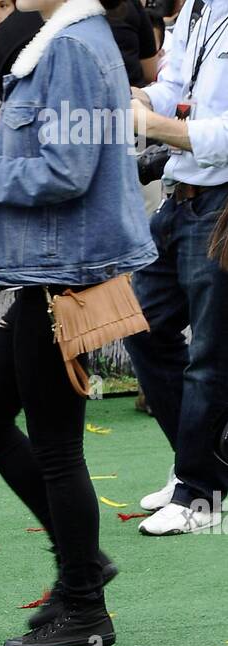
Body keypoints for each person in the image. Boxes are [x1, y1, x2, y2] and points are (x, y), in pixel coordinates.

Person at [0, 0, 156, 646]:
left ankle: (86, 602)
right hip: (59, 269)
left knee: (58, 448)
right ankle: (79, 570)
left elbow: (67, 173)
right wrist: (0, 136)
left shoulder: (67, 48)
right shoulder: (78, 41)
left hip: (62, 272)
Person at [125, 0, 228, 535]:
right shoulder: (196, 10)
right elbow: (174, 83)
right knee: (141, 324)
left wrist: (158, 124)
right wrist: (142, 98)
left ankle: (201, 492)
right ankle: (197, 466)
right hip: (181, 193)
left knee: (211, 354)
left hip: (221, 202)